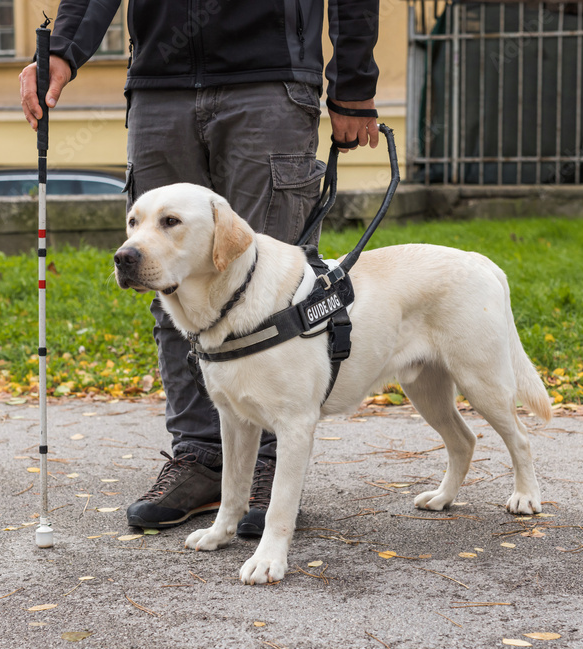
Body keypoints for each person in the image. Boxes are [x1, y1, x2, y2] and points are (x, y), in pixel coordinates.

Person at [20, 0, 379, 538]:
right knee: (169, 280)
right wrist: (65, 50)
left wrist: (352, 80)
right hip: (159, 82)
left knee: (277, 289)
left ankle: (271, 464)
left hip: (270, 78)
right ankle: (199, 457)